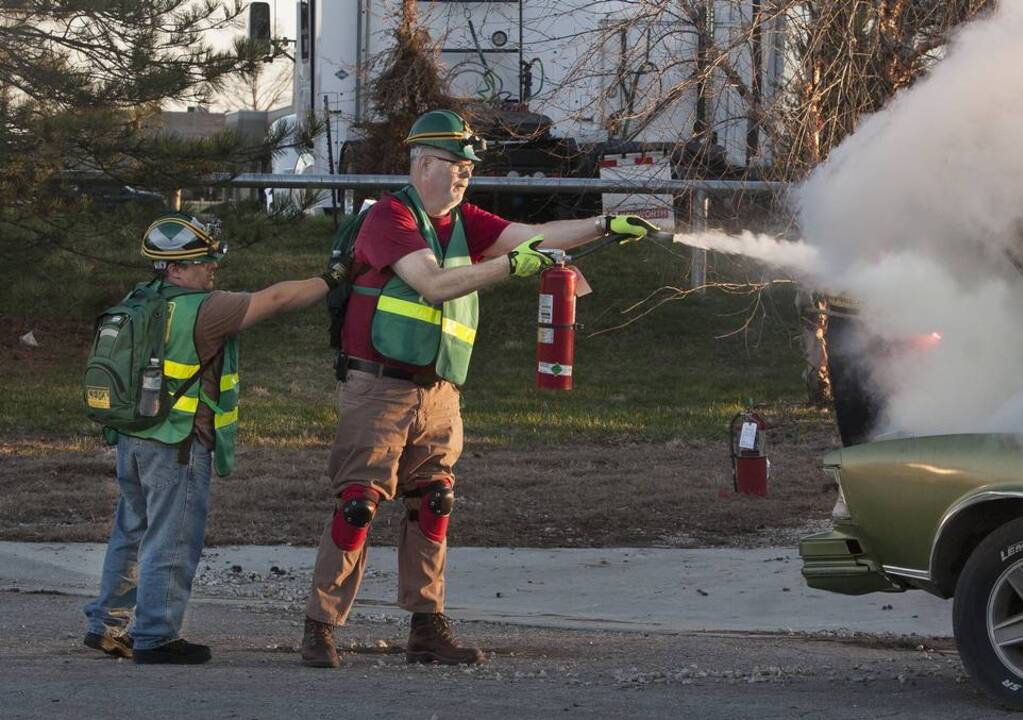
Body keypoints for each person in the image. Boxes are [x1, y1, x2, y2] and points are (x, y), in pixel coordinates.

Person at [300, 109, 658, 668]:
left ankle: (426, 625)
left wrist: (604, 227)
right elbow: (434, 284)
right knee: (359, 505)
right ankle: (320, 625)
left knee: (435, 500)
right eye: (454, 163)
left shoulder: (464, 221)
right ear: (422, 164)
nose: (465, 173)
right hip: (378, 386)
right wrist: (510, 268)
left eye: (468, 165)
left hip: (439, 389)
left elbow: (533, 236)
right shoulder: (390, 217)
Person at [83, 213, 347, 664]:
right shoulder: (205, 308)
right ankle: (156, 635)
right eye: (202, 261)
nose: (212, 268)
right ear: (175, 269)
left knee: (130, 531)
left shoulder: (141, 299)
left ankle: (107, 624)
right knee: (172, 539)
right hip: (178, 445)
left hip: (133, 437)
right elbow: (281, 298)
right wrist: (334, 276)